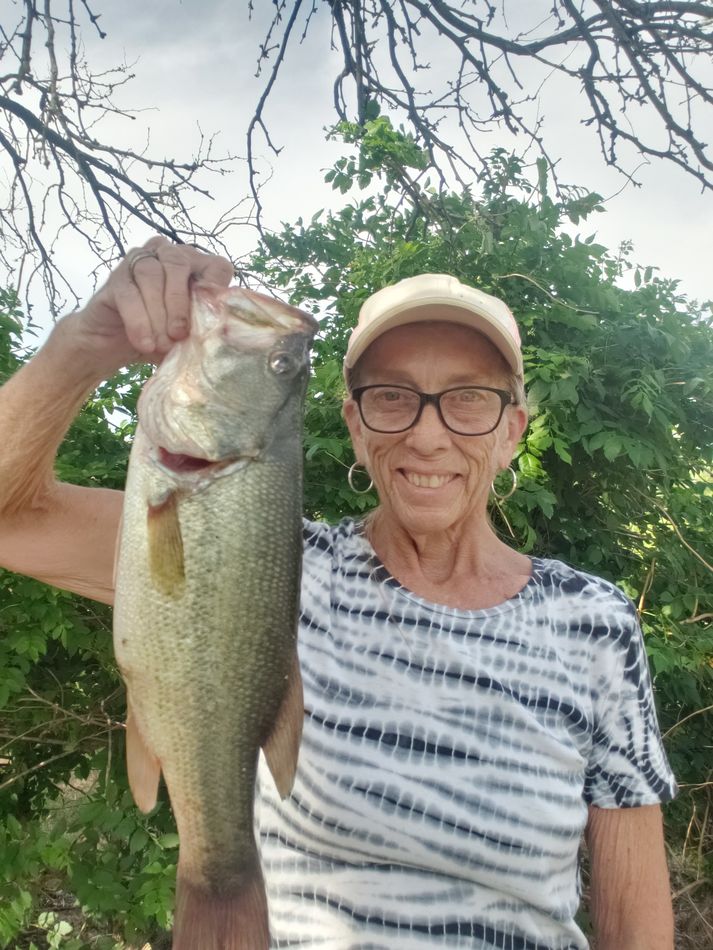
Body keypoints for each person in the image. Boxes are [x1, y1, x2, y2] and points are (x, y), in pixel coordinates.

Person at [0, 237, 677, 949]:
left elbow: (636, 922)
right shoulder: (273, 558)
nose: (425, 436)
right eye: (391, 397)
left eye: (468, 400)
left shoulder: (592, 622)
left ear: (511, 430)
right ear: (354, 426)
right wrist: (85, 345)